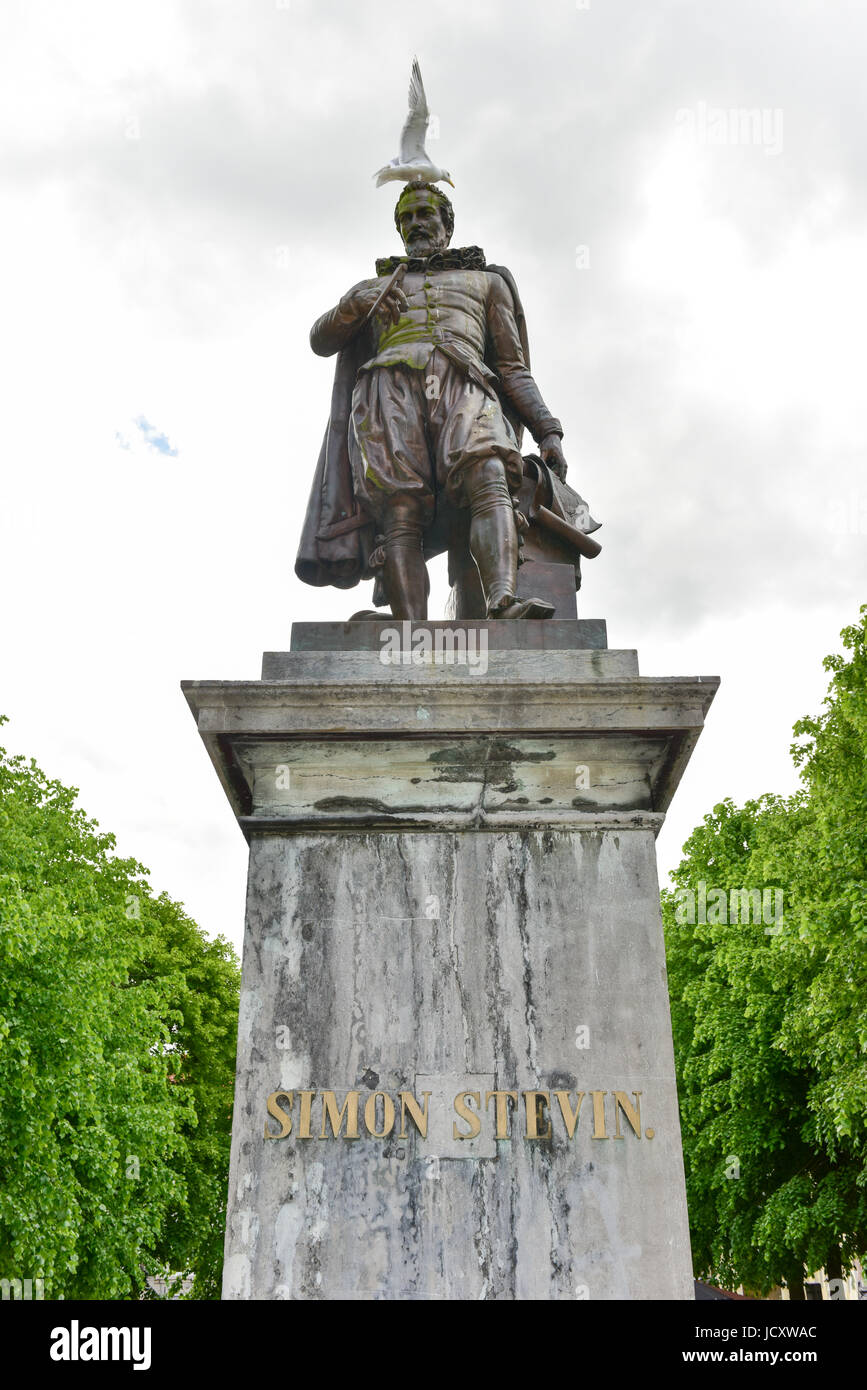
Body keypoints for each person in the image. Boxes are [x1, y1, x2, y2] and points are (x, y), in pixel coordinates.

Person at [297, 179, 569, 620]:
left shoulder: (486, 282)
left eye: (424, 214)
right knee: (399, 508)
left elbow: (512, 368)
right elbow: (320, 340)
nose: (415, 224)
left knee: (489, 472)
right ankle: (410, 627)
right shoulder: (374, 287)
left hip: (463, 382)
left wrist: (547, 429)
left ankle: (502, 600)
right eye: (405, 218)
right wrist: (352, 304)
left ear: (447, 223)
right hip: (388, 389)